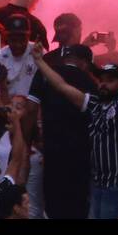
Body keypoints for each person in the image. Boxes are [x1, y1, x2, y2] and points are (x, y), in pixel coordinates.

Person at [31, 42, 118, 219]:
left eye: (110, 80)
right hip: (96, 184)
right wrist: (39, 61)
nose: (103, 84)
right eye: (101, 80)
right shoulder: (93, 104)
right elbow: (62, 86)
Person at [29, 40, 95, 219]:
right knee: (78, 207)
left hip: (52, 154)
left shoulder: (43, 75)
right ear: (85, 62)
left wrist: (33, 141)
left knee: (54, 207)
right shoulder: (91, 82)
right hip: (80, 157)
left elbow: (31, 111)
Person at [0, 14, 39, 98]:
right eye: (13, 40)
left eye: (22, 40)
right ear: (6, 37)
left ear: (28, 36)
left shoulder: (38, 52)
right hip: (8, 106)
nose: (18, 45)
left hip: (33, 106)